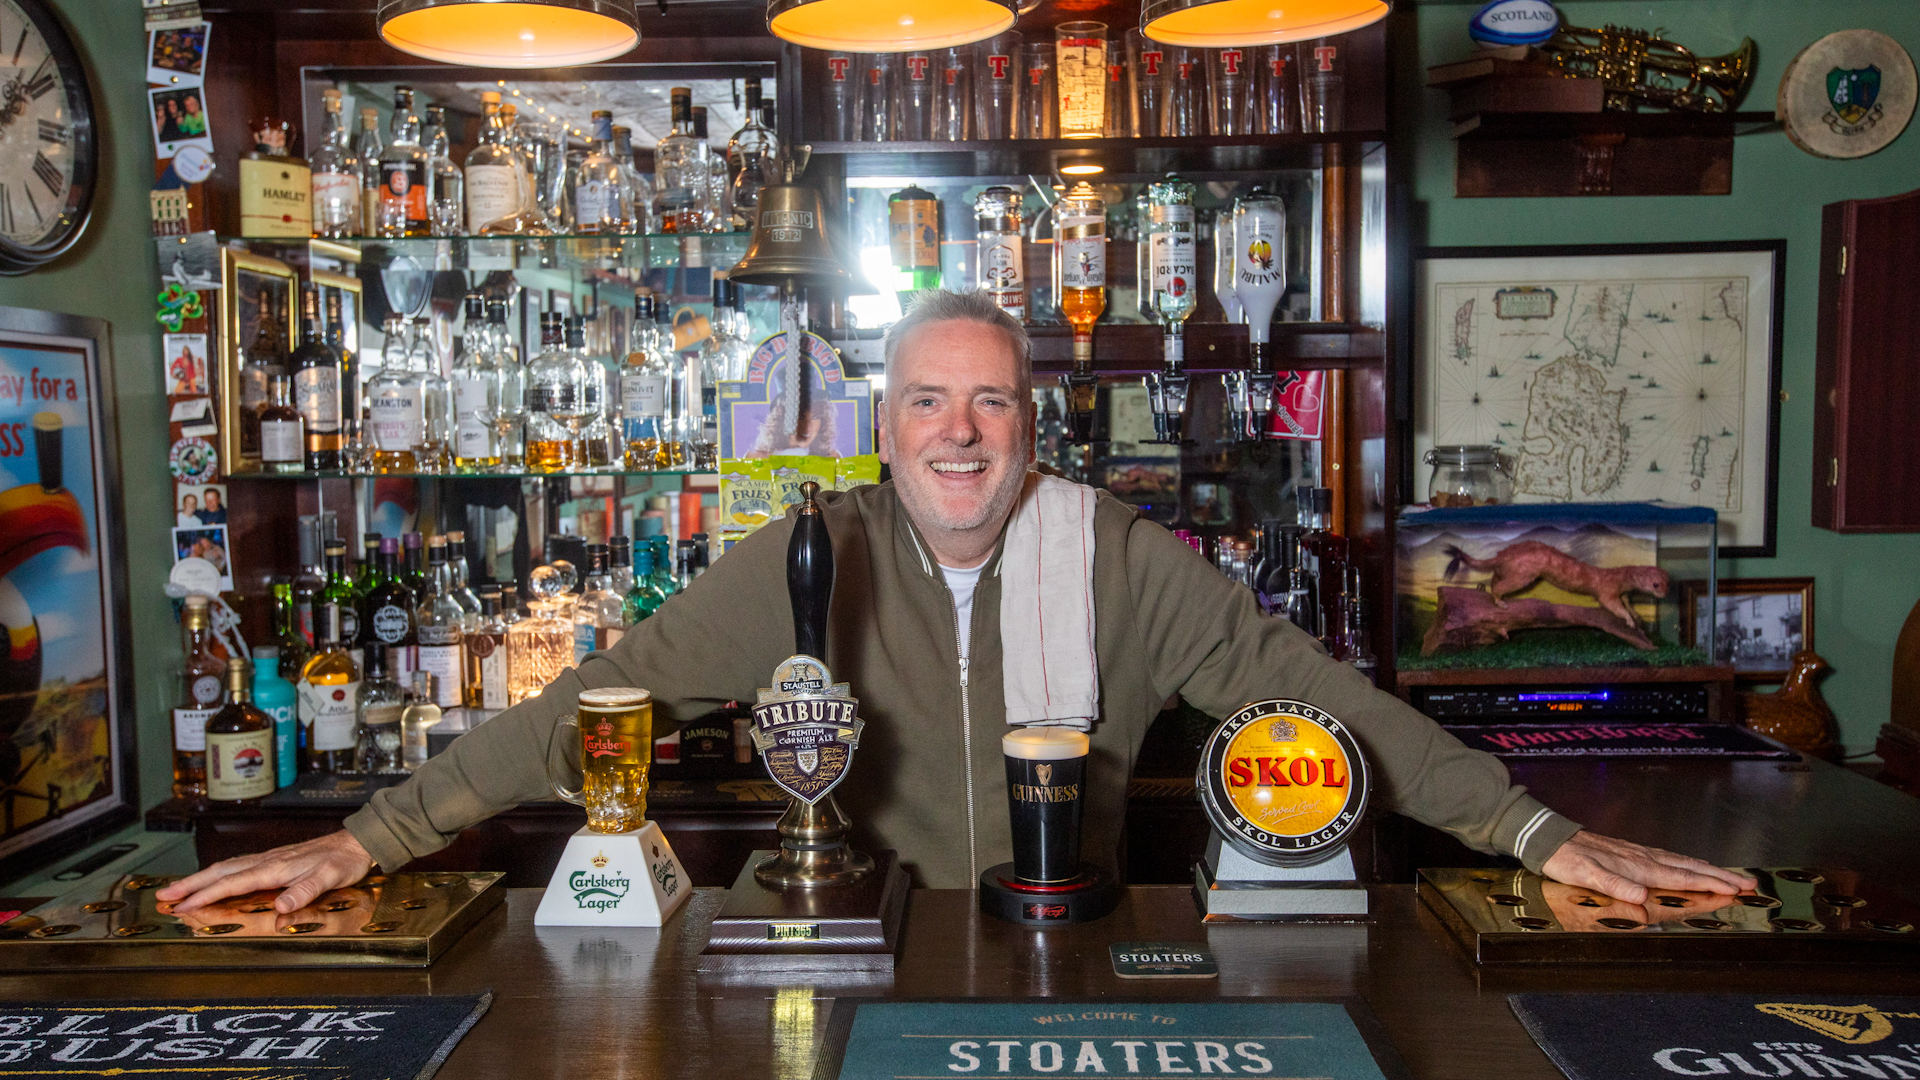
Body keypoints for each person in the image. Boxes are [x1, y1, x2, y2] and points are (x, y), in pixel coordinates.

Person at [160, 290, 1756, 915]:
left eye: (990, 403)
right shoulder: (811, 559)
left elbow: (1318, 704)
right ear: (885, 420)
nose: (960, 434)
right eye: (929, 401)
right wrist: (366, 836)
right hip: (872, 953)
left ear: (1031, 423)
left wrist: (1541, 834)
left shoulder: (1116, 553)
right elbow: (602, 707)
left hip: (1093, 957)